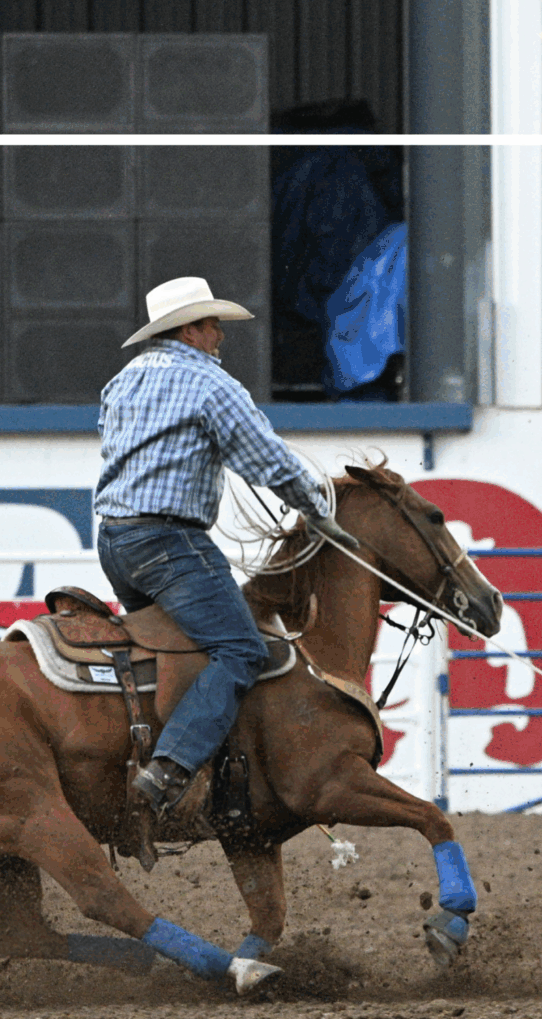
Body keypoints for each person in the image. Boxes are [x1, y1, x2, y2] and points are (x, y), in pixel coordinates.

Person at [98, 276, 357, 822]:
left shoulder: (122, 381)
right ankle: (171, 768)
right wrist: (317, 510)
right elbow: (269, 461)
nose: (220, 335)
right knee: (241, 650)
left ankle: (155, 763)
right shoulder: (212, 385)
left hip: (116, 542)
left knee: (168, 652)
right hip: (169, 543)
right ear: (188, 330)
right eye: (213, 325)